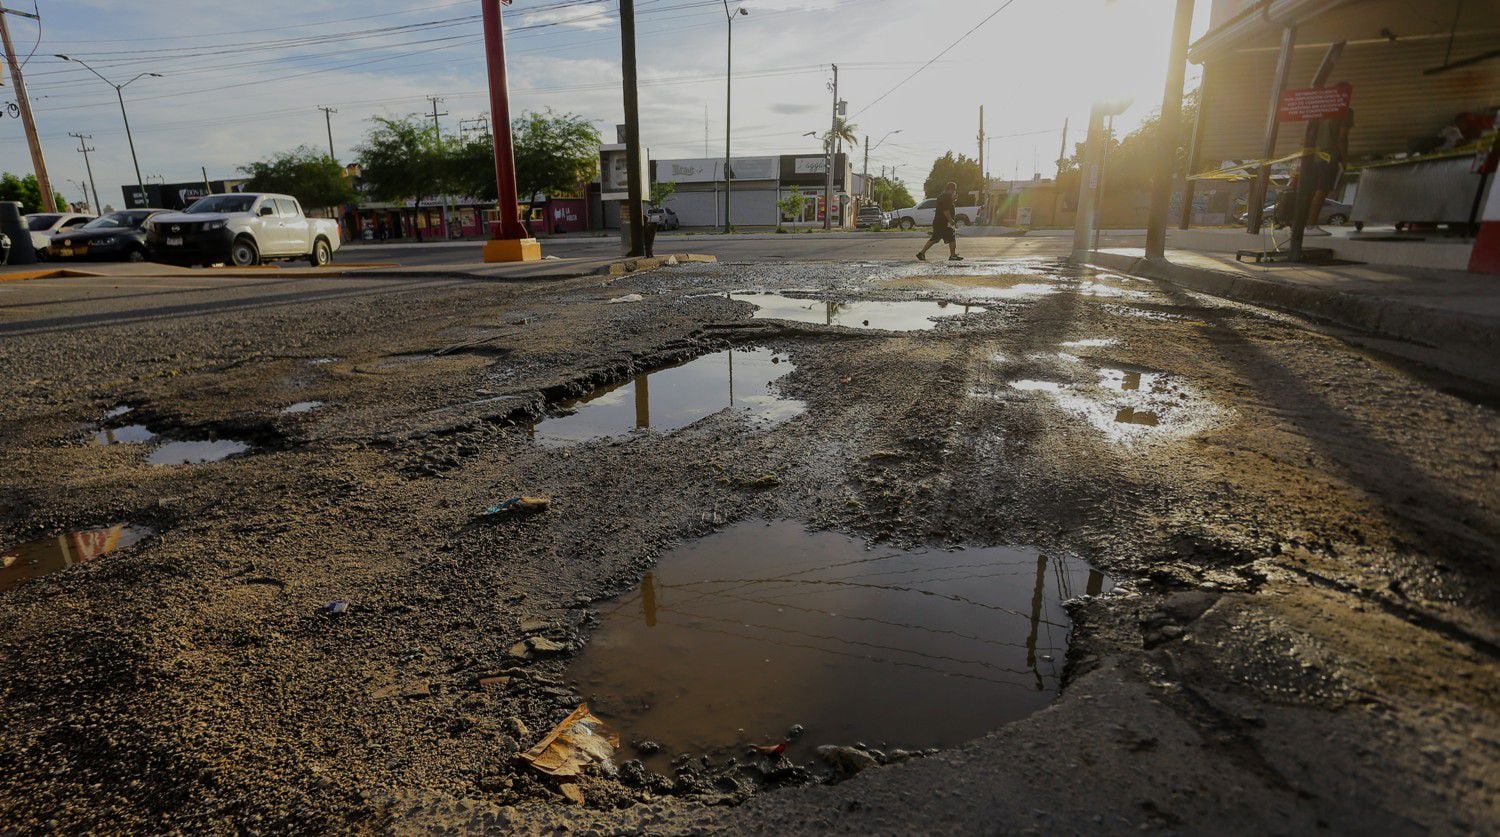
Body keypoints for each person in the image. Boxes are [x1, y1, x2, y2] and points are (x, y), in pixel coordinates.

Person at [917, 180, 962, 261]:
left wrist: (953, 199)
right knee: (951, 237)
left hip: (939, 223)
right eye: (954, 190)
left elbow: (946, 207)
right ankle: (953, 255)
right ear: (951, 189)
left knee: (935, 239)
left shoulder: (943, 196)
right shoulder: (946, 197)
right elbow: (946, 210)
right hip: (943, 223)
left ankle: (921, 253)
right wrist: (950, 220)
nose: (954, 192)